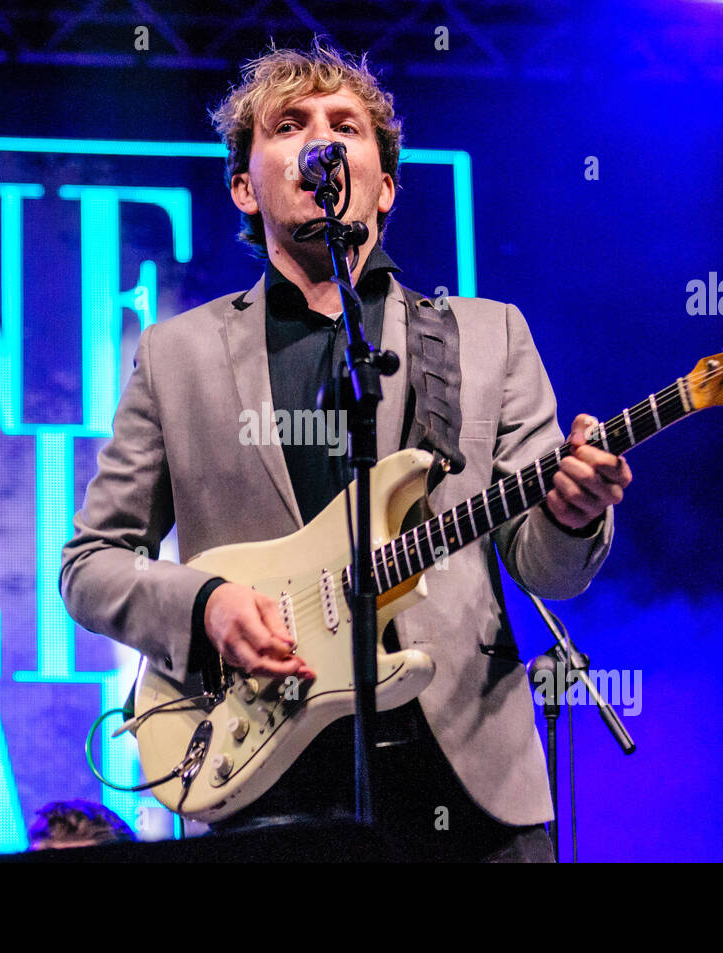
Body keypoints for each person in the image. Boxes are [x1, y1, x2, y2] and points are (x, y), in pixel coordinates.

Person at [60, 39, 632, 862]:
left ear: (386, 184)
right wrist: (205, 604)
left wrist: (571, 516)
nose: (320, 142)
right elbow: (90, 563)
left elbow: (548, 567)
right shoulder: (175, 355)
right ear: (242, 188)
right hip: (263, 784)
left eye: (345, 127)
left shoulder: (488, 335)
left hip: (468, 783)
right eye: (288, 125)